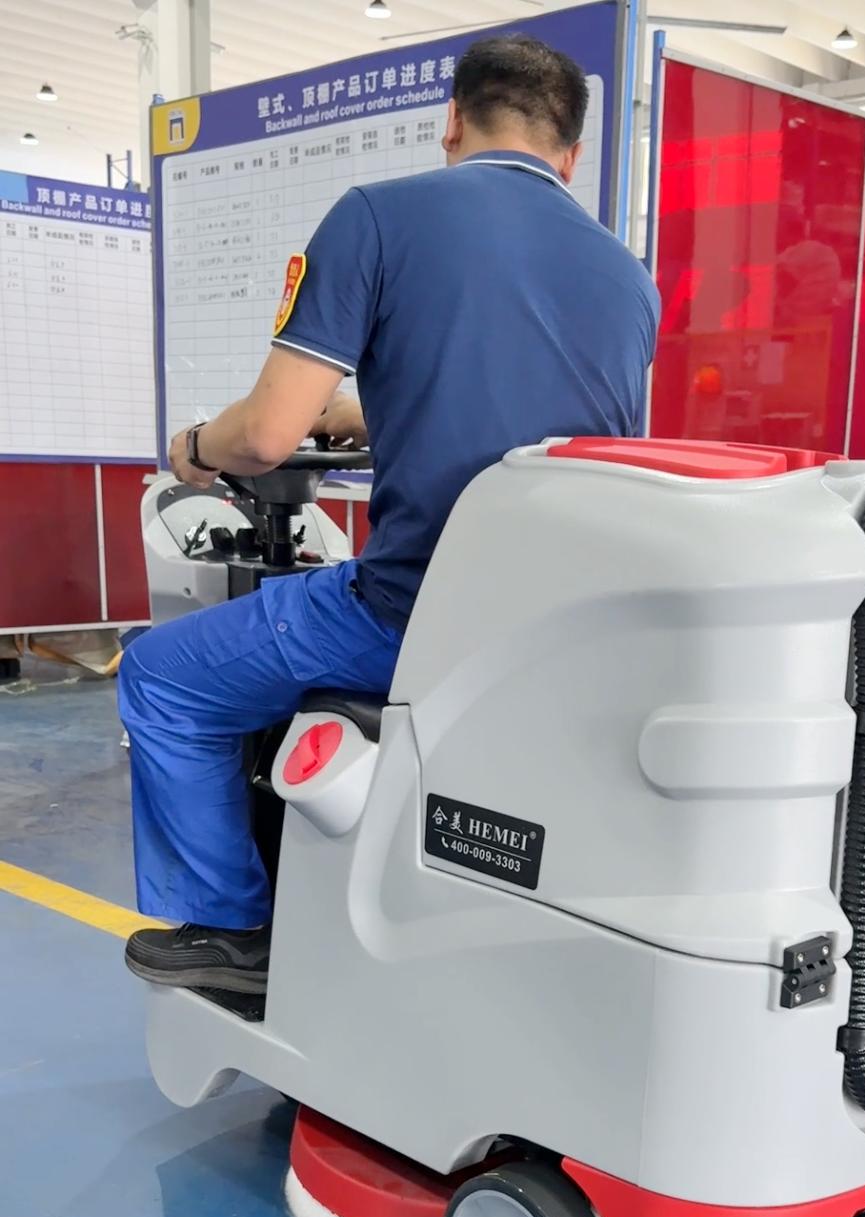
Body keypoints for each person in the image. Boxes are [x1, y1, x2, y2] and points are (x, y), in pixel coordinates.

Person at [121, 35, 661, 994]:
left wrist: (195, 446)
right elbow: (548, 434)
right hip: (555, 634)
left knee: (163, 677)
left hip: (409, 615)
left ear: (450, 121)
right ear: (571, 154)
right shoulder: (628, 278)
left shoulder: (377, 215)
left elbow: (267, 437)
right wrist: (366, 411)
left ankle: (234, 930)